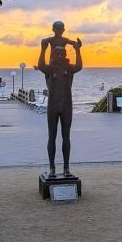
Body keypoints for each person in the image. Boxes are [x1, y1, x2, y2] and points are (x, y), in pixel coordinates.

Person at [37, 36, 83, 177]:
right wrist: (43, 49)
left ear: (65, 54)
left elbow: (79, 66)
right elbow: (41, 65)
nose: (60, 55)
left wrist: (78, 51)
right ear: (53, 54)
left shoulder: (69, 68)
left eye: (62, 53)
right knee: (52, 136)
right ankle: (52, 168)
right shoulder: (50, 69)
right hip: (53, 105)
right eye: (57, 53)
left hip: (66, 106)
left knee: (66, 136)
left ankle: (66, 167)